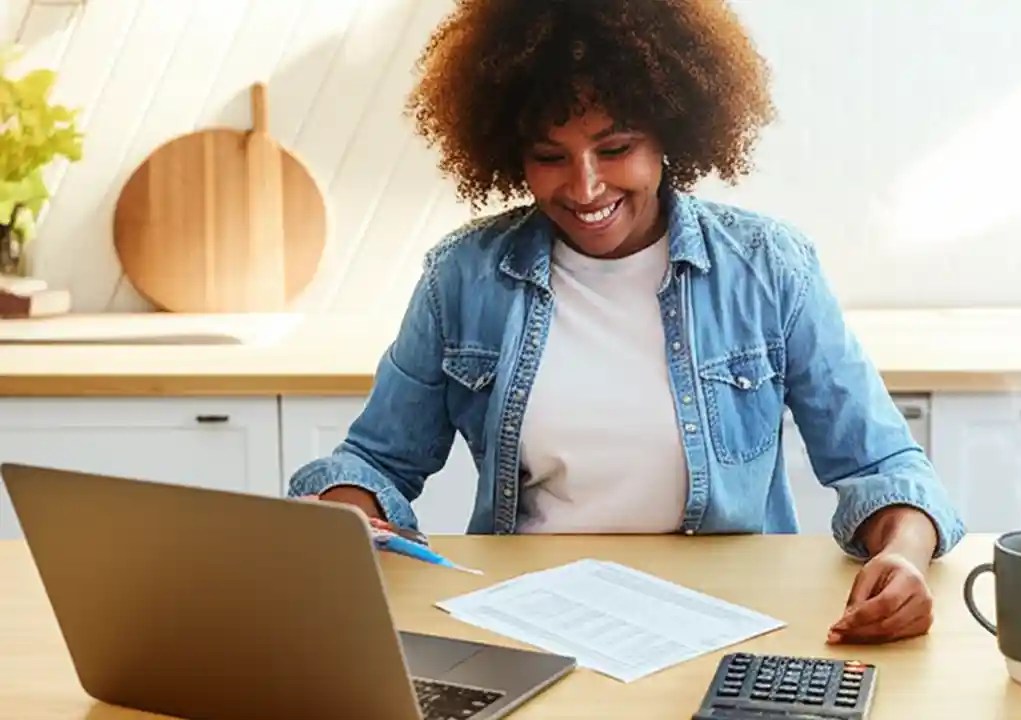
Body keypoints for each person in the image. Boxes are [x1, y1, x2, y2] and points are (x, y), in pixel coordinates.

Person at [289, 0, 965, 645]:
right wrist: (345, 512)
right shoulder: (463, 277)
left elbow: (882, 463)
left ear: (671, 132)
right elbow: (375, 461)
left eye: (615, 148)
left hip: (732, 617)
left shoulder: (768, 267)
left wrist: (904, 557)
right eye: (550, 157)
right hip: (528, 619)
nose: (584, 188)